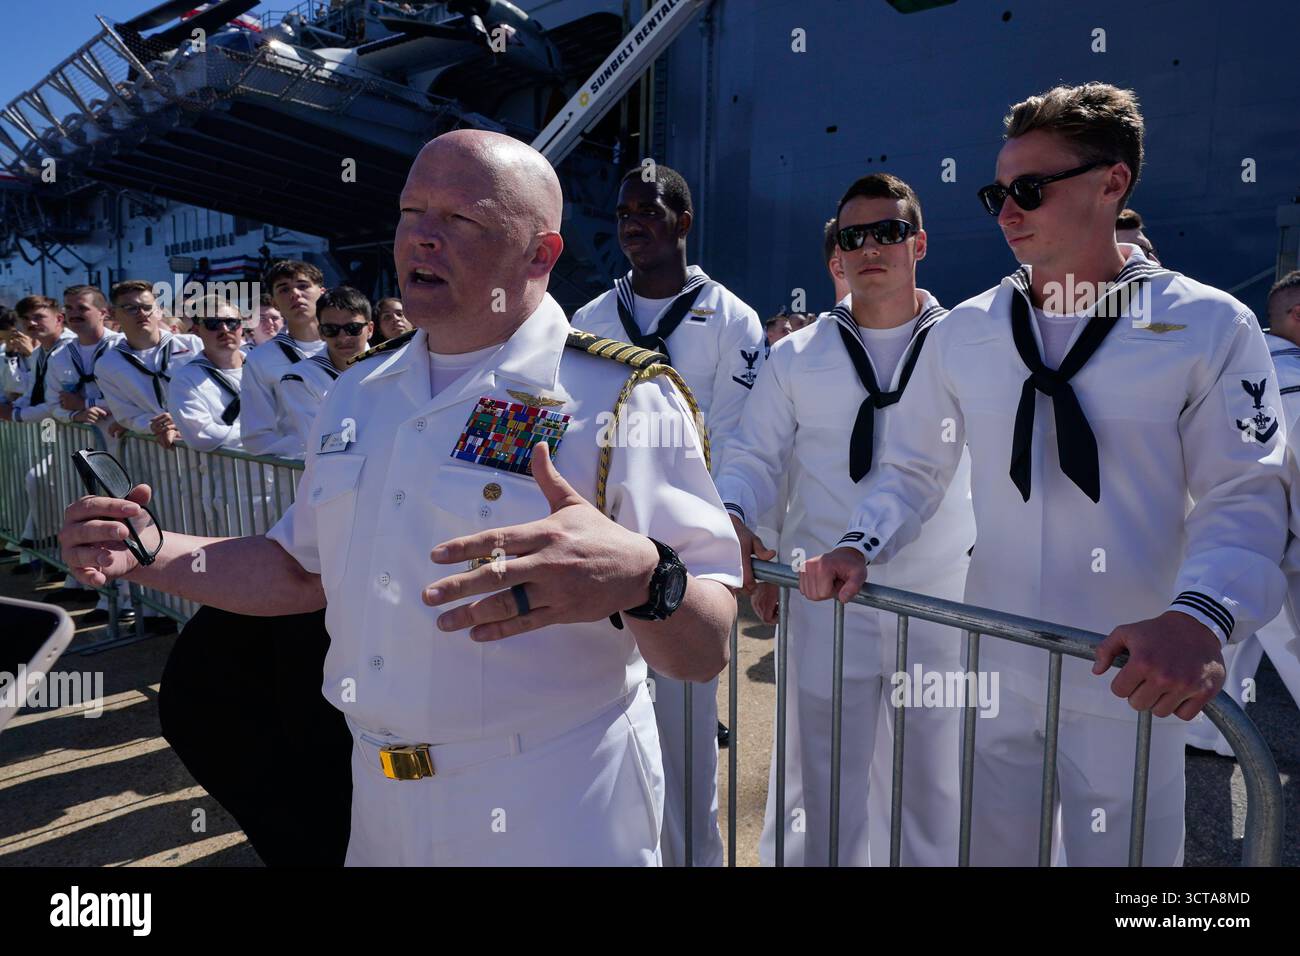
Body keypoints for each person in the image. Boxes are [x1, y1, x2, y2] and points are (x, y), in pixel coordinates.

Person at [61, 129, 742, 867]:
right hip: (378, 796)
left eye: (460, 220)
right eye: (412, 212)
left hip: (554, 799)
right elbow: (299, 570)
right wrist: (153, 553)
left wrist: (648, 577)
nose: (421, 238)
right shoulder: (359, 391)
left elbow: (704, 647)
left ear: (539, 254)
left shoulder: (619, 398)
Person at [799, 83, 1287, 866]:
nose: (1006, 211)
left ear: (1112, 183)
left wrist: (1203, 616)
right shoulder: (967, 331)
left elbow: (1246, 492)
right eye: (998, 192)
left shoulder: (1205, 325)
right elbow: (915, 466)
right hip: (994, 660)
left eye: (1030, 189)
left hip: (1131, 669)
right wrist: (862, 542)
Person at [719, 173, 974, 866]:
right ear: (838, 253)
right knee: (816, 789)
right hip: (826, 599)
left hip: (941, 603)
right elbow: (754, 457)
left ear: (918, 242)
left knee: (930, 789)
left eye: (888, 232)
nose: (871, 247)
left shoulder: (967, 346)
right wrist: (738, 518)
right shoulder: (796, 356)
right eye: (852, 236)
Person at [570, 163, 764, 867]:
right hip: (605, 554)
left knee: (685, 749)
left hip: (681, 561)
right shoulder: (589, 321)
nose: (631, 223)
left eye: (648, 211)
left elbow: (743, 433)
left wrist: (733, 517)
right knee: (605, 724)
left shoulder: (731, 318)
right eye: (623, 212)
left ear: (683, 222)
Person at [1187, 270, 1300, 755]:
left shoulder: (1234, 362)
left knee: (1232, 646)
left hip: (1218, 546)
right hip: (1279, 547)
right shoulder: (1293, 378)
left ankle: (1205, 736)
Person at [96, 280, 203, 449]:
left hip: (205, 446)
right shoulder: (108, 364)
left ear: (159, 311)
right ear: (113, 313)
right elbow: (126, 414)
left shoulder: (192, 345)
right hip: (157, 451)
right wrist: (157, 425)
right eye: (130, 308)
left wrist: (183, 418)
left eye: (147, 307)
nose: (141, 313)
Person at [240, 260, 327, 457]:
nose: (295, 294)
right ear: (275, 302)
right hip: (300, 472)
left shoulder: (353, 343)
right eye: (284, 289)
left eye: (303, 286)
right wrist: (316, 453)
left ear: (322, 292)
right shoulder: (260, 359)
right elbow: (256, 435)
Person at [278, 287, 373, 455]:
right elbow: (319, 442)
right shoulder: (299, 378)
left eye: (353, 328)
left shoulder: (392, 365)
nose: (343, 338)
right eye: (331, 330)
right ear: (321, 333)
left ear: (370, 329)